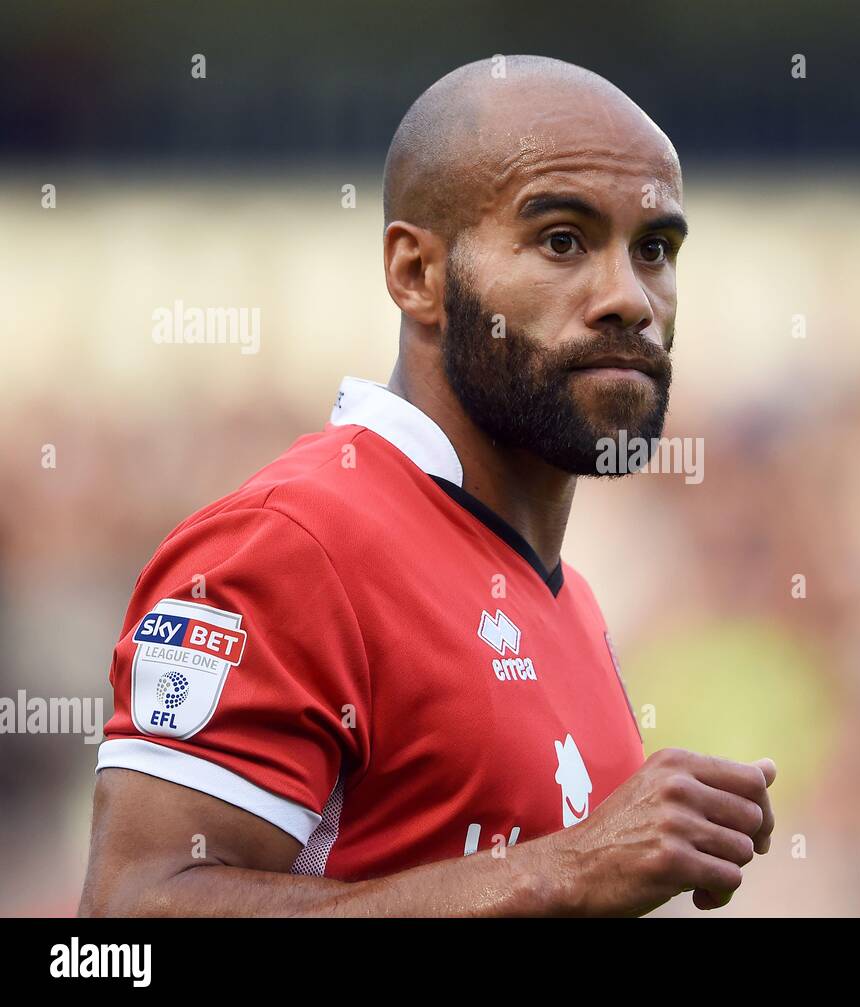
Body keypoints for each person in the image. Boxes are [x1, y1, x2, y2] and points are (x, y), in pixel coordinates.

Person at [79, 55, 776, 917]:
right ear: (417, 274)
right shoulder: (290, 545)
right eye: (563, 239)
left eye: (655, 250)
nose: (629, 297)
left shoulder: (567, 597)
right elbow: (124, 929)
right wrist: (559, 872)